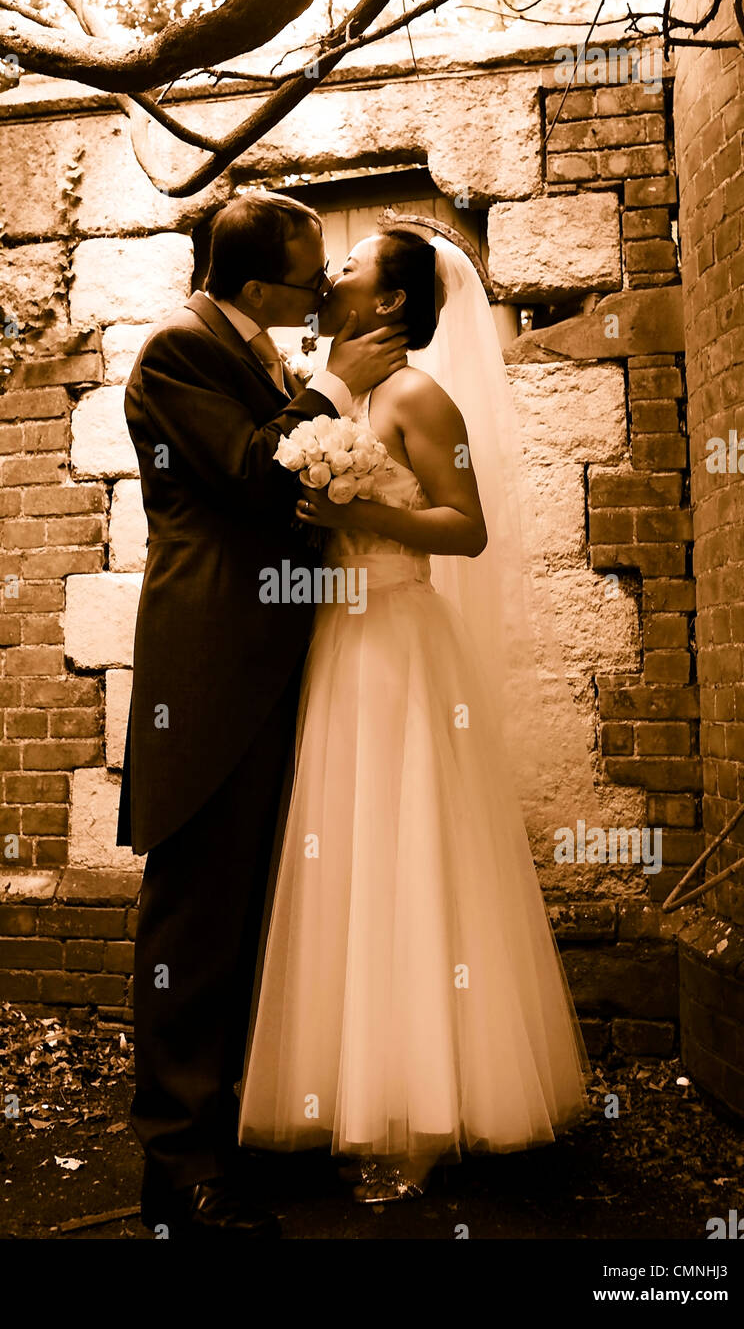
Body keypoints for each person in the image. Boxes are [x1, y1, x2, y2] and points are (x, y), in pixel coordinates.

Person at [236, 227, 599, 1203]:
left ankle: (427, 1115)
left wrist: (370, 514)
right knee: (346, 861)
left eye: (350, 265)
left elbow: (466, 526)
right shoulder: (341, 390)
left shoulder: (421, 396)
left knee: (409, 858)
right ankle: (351, 1090)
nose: (332, 273)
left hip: (399, 641)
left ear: (393, 303)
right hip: (339, 648)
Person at [115, 191, 408, 1237]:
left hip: (285, 656)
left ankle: (240, 1130)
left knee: (260, 913)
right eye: (308, 277)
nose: (324, 290)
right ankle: (178, 1166)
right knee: (196, 915)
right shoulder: (176, 351)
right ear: (252, 283)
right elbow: (249, 471)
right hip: (210, 664)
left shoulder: (266, 356)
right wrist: (333, 386)